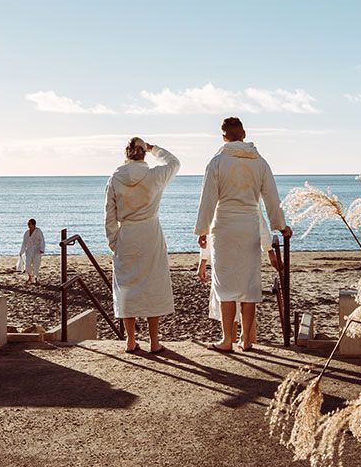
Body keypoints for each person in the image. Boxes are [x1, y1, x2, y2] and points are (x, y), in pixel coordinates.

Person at [194, 116, 292, 353]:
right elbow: (271, 198)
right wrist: (280, 225)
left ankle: (227, 340)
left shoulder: (217, 162)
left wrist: (202, 230)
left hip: (224, 226)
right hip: (249, 225)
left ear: (223, 136)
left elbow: (208, 199)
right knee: (249, 285)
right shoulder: (260, 163)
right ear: (244, 134)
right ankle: (246, 340)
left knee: (225, 284)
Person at [105, 137, 180, 354]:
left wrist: (113, 240)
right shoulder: (155, 176)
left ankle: (130, 340)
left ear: (126, 153)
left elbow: (109, 215)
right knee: (151, 284)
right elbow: (174, 163)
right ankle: (154, 342)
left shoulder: (115, 179)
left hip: (127, 233)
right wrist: (154, 149)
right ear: (143, 153)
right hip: (150, 233)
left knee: (127, 285)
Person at [197, 214, 279, 346]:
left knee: (229, 296)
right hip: (243, 245)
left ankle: (230, 340)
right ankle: (245, 340)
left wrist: (203, 259)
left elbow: (209, 219)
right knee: (247, 294)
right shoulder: (250, 195)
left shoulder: (221, 196)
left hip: (226, 247)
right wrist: (269, 250)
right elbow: (259, 219)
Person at [19, 218, 45, 284]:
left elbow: (42, 240)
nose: (28, 225)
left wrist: (42, 249)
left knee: (36, 265)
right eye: (28, 224)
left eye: (29, 224)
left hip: (37, 250)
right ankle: (30, 276)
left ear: (33, 225)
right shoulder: (26, 233)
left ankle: (36, 277)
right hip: (29, 250)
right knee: (27, 264)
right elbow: (24, 243)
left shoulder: (38, 231)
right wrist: (21, 251)